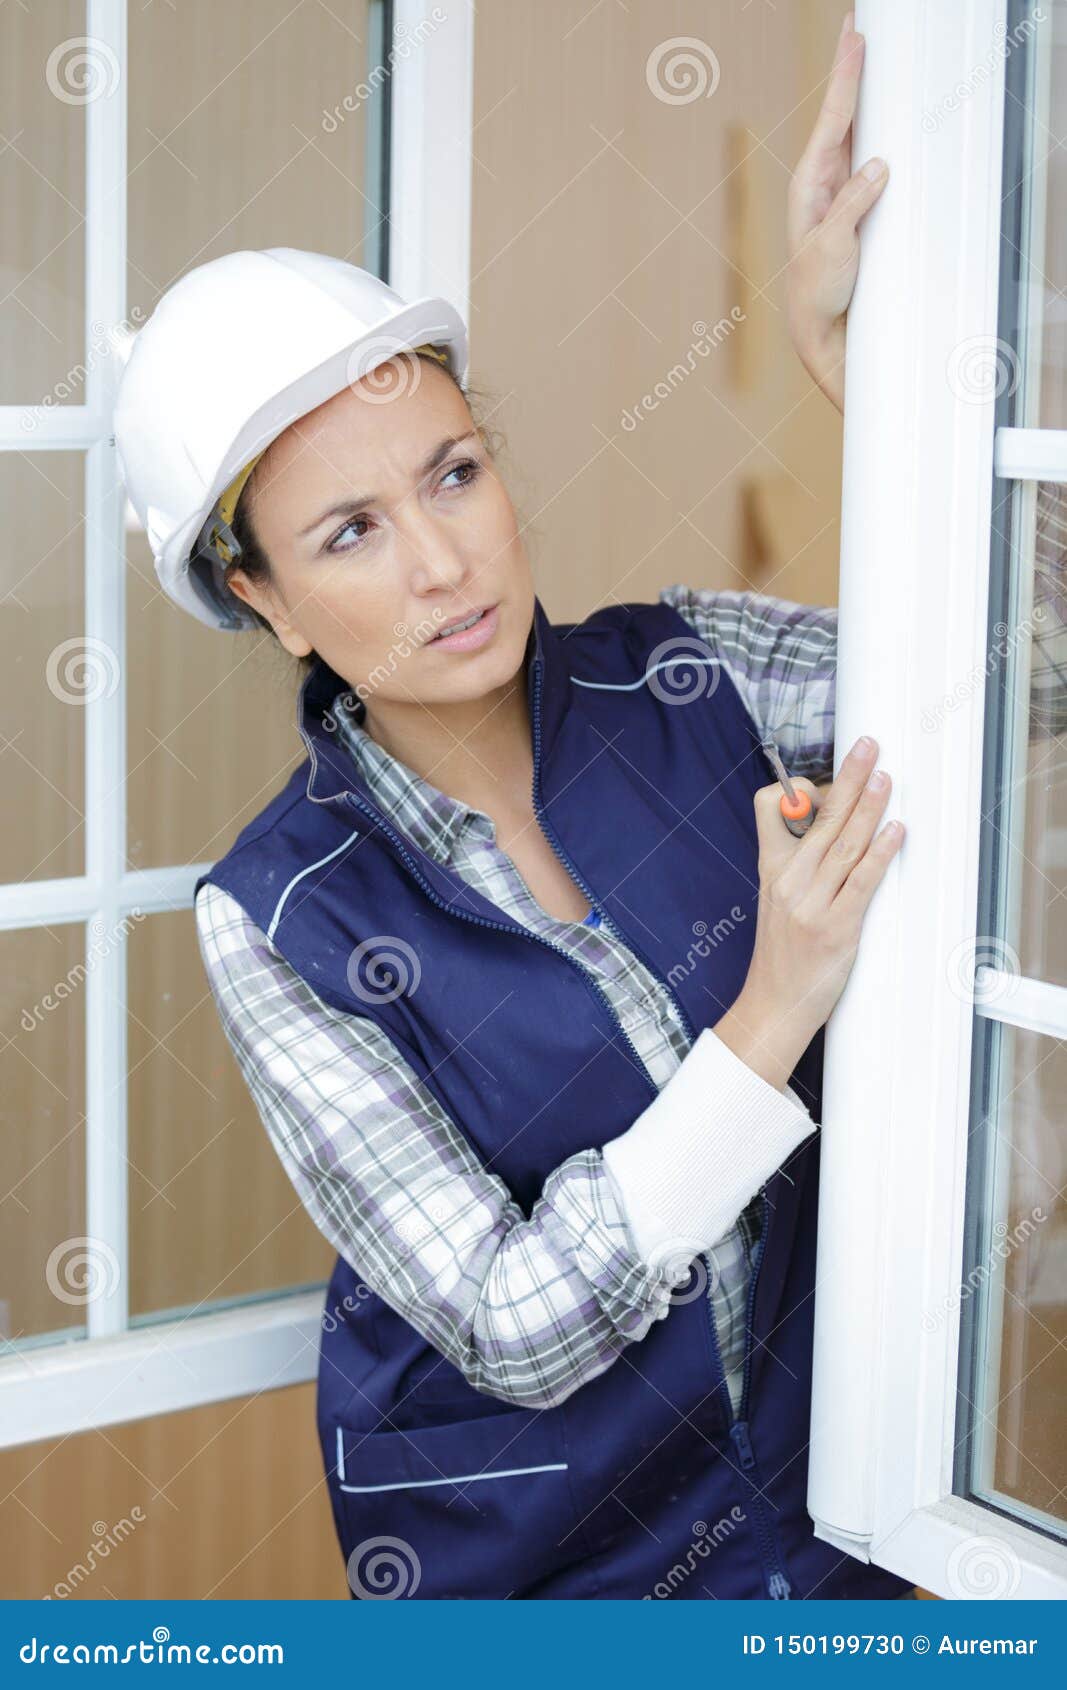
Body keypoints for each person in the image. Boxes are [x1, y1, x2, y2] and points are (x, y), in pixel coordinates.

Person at [114, 18, 922, 1600]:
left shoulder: (699, 670)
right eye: (350, 531)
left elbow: (1030, 666)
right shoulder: (279, 916)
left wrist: (873, 384)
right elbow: (512, 1319)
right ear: (263, 599)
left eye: (455, 473)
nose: (443, 561)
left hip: (839, 1547)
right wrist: (773, 1009)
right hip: (555, 1584)